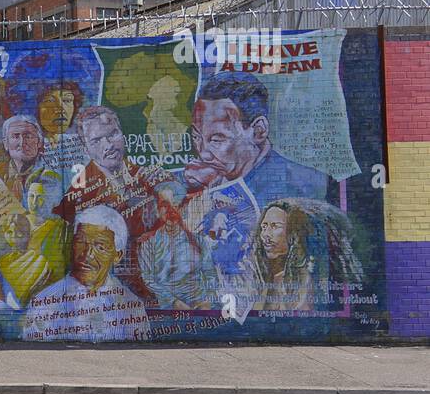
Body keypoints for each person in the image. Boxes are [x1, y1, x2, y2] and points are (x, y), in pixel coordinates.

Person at [55, 105, 185, 301]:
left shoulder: (146, 176)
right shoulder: (78, 196)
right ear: (85, 148)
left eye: (113, 134)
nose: (109, 146)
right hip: (112, 295)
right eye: (97, 140)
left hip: (160, 285)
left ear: (122, 133)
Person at [186, 74, 328, 204]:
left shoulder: (303, 188)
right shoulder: (202, 182)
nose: (203, 154)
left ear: (259, 131)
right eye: (196, 137)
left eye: (217, 140)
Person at [22, 205, 151, 341]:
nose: (87, 255)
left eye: (100, 247)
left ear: (117, 256)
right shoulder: (44, 303)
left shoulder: (131, 306)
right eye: (81, 242)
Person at [249, 198, 363, 312]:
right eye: (264, 227)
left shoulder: (308, 280)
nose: (265, 234)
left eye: (275, 226)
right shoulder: (272, 279)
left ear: (295, 232)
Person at [0, 115, 59, 208]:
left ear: (39, 142)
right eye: (15, 136)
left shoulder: (52, 174)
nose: (22, 142)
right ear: (6, 143)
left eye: (28, 136)